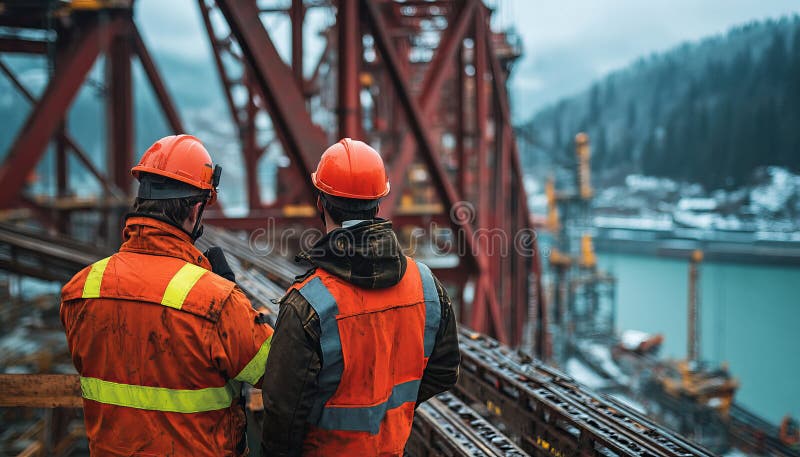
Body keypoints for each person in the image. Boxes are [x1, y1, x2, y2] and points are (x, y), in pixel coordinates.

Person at [60, 134, 273, 456]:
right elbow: (276, 372)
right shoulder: (217, 302)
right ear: (196, 209)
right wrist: (240, 304)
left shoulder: (81, 290)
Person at [260, 138, 461, 456]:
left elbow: (282, 416)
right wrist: (387, 413)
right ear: (378, 204)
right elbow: (445, 371)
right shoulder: (426, 285)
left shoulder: (308, 304)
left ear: (321, 203)